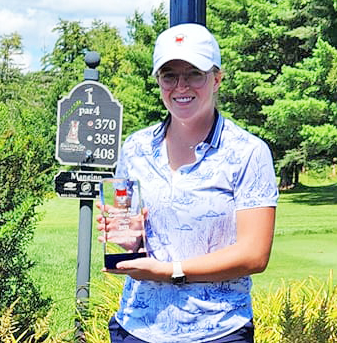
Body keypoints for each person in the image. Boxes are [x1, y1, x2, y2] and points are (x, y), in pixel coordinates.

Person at [101, 22, 278, 343]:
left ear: (217, 79)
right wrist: (127, 239)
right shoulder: (136, 147)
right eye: (169, 75)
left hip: (216, 331)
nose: (181, 86)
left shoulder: (248, 152)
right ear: (158, 81)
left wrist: (172, 272)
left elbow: (255, 255)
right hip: (137, 326)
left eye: (194, 73)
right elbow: (135, 239)